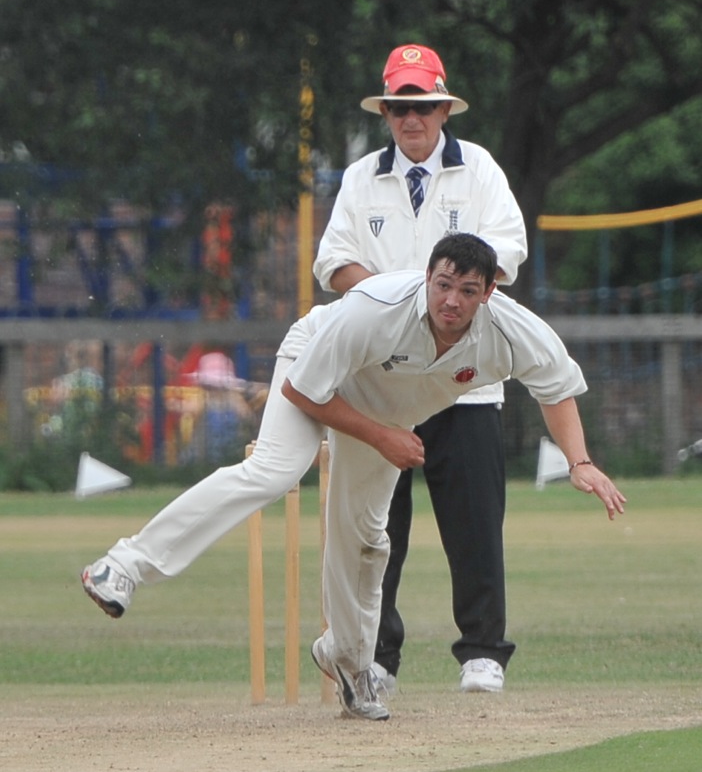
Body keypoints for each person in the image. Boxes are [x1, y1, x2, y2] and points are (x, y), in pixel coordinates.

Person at [82, 234, 626, 722]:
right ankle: (122, 565)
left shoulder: (511, 330)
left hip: (385, 412)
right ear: (427, 278)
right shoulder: (378, 308)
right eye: (442, 285)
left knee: (365, 540)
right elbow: (301, 391)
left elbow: (556, 387)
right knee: (274, 472)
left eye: (466, 290)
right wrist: (381, 437)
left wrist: (579, 462)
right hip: (313, 371)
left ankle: (347, 659)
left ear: (487, 294)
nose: (451, 300)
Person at [313, 43, 527, 694]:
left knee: (474, 523)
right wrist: (399, 302)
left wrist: (447, 295)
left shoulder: (479, 170)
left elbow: (507, 252)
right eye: (401, 107)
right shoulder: (360, 178)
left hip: (465, 378)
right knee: (380, 529)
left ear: (443, 107)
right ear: (386, 111)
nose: (413, 118)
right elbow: (333, 263)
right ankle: (378, 655)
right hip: (382, 386)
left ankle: (483, 650)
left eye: (424, 105)